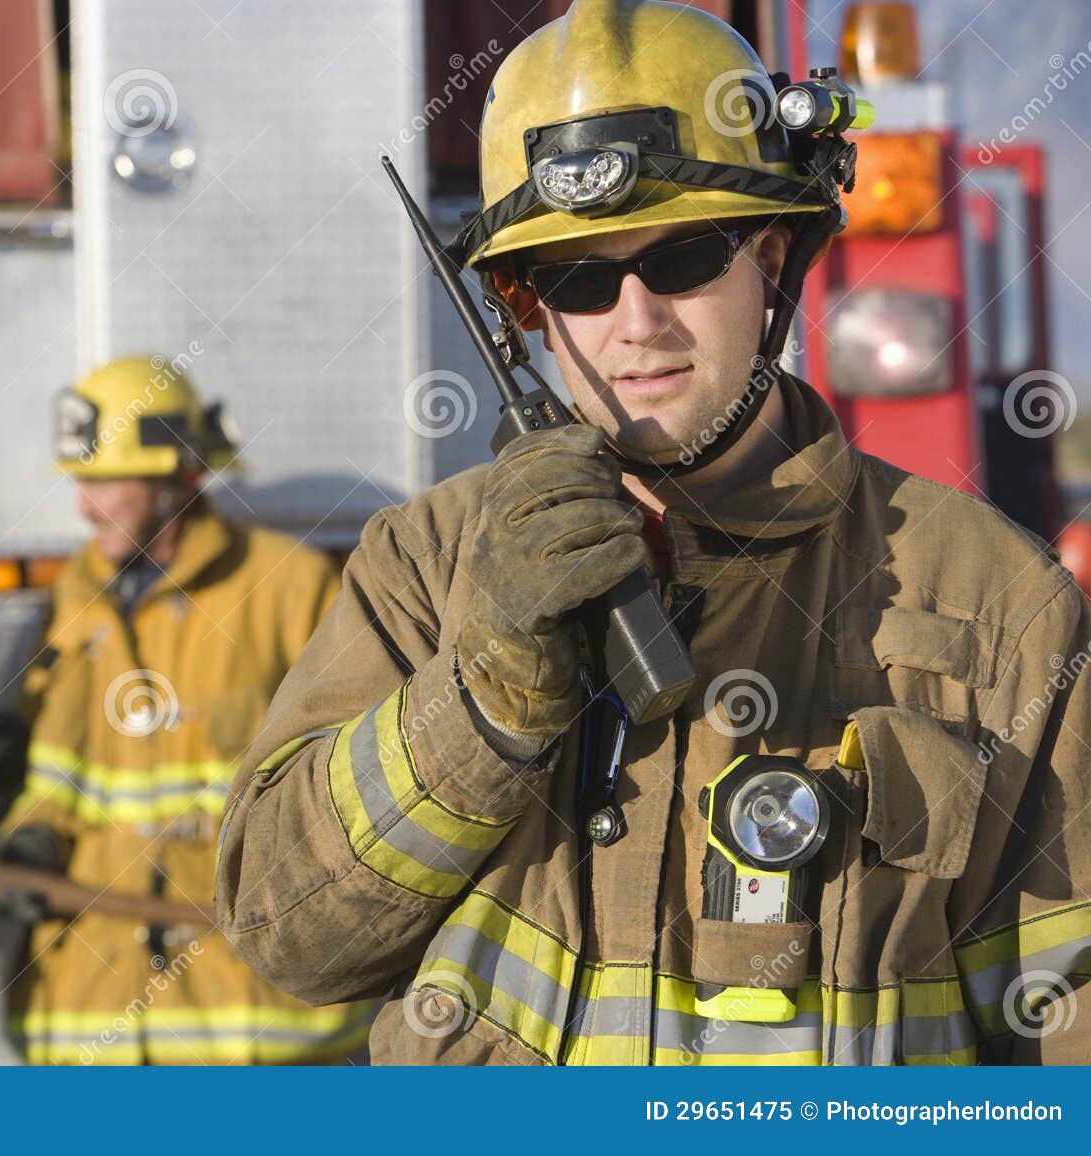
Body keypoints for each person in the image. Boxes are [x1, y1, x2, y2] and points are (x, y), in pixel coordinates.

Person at [216, 0, 1091, 1065]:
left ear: (769, 258)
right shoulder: (424, 568)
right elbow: (284, 936)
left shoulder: (995, 597)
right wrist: (482, 696)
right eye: (580, 278)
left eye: (682, 259)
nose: (637, 321)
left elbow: (1064, 1015)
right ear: (521, 309)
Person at [0, 355, 375, 1064]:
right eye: (82, 482)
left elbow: (355, 785)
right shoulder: (72, 600)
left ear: (181, 476)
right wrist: (29, 839)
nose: (84, 506)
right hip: (92, 1016)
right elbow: (55, 776)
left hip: (249, 1026)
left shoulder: (289, 588)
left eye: (107, 482)